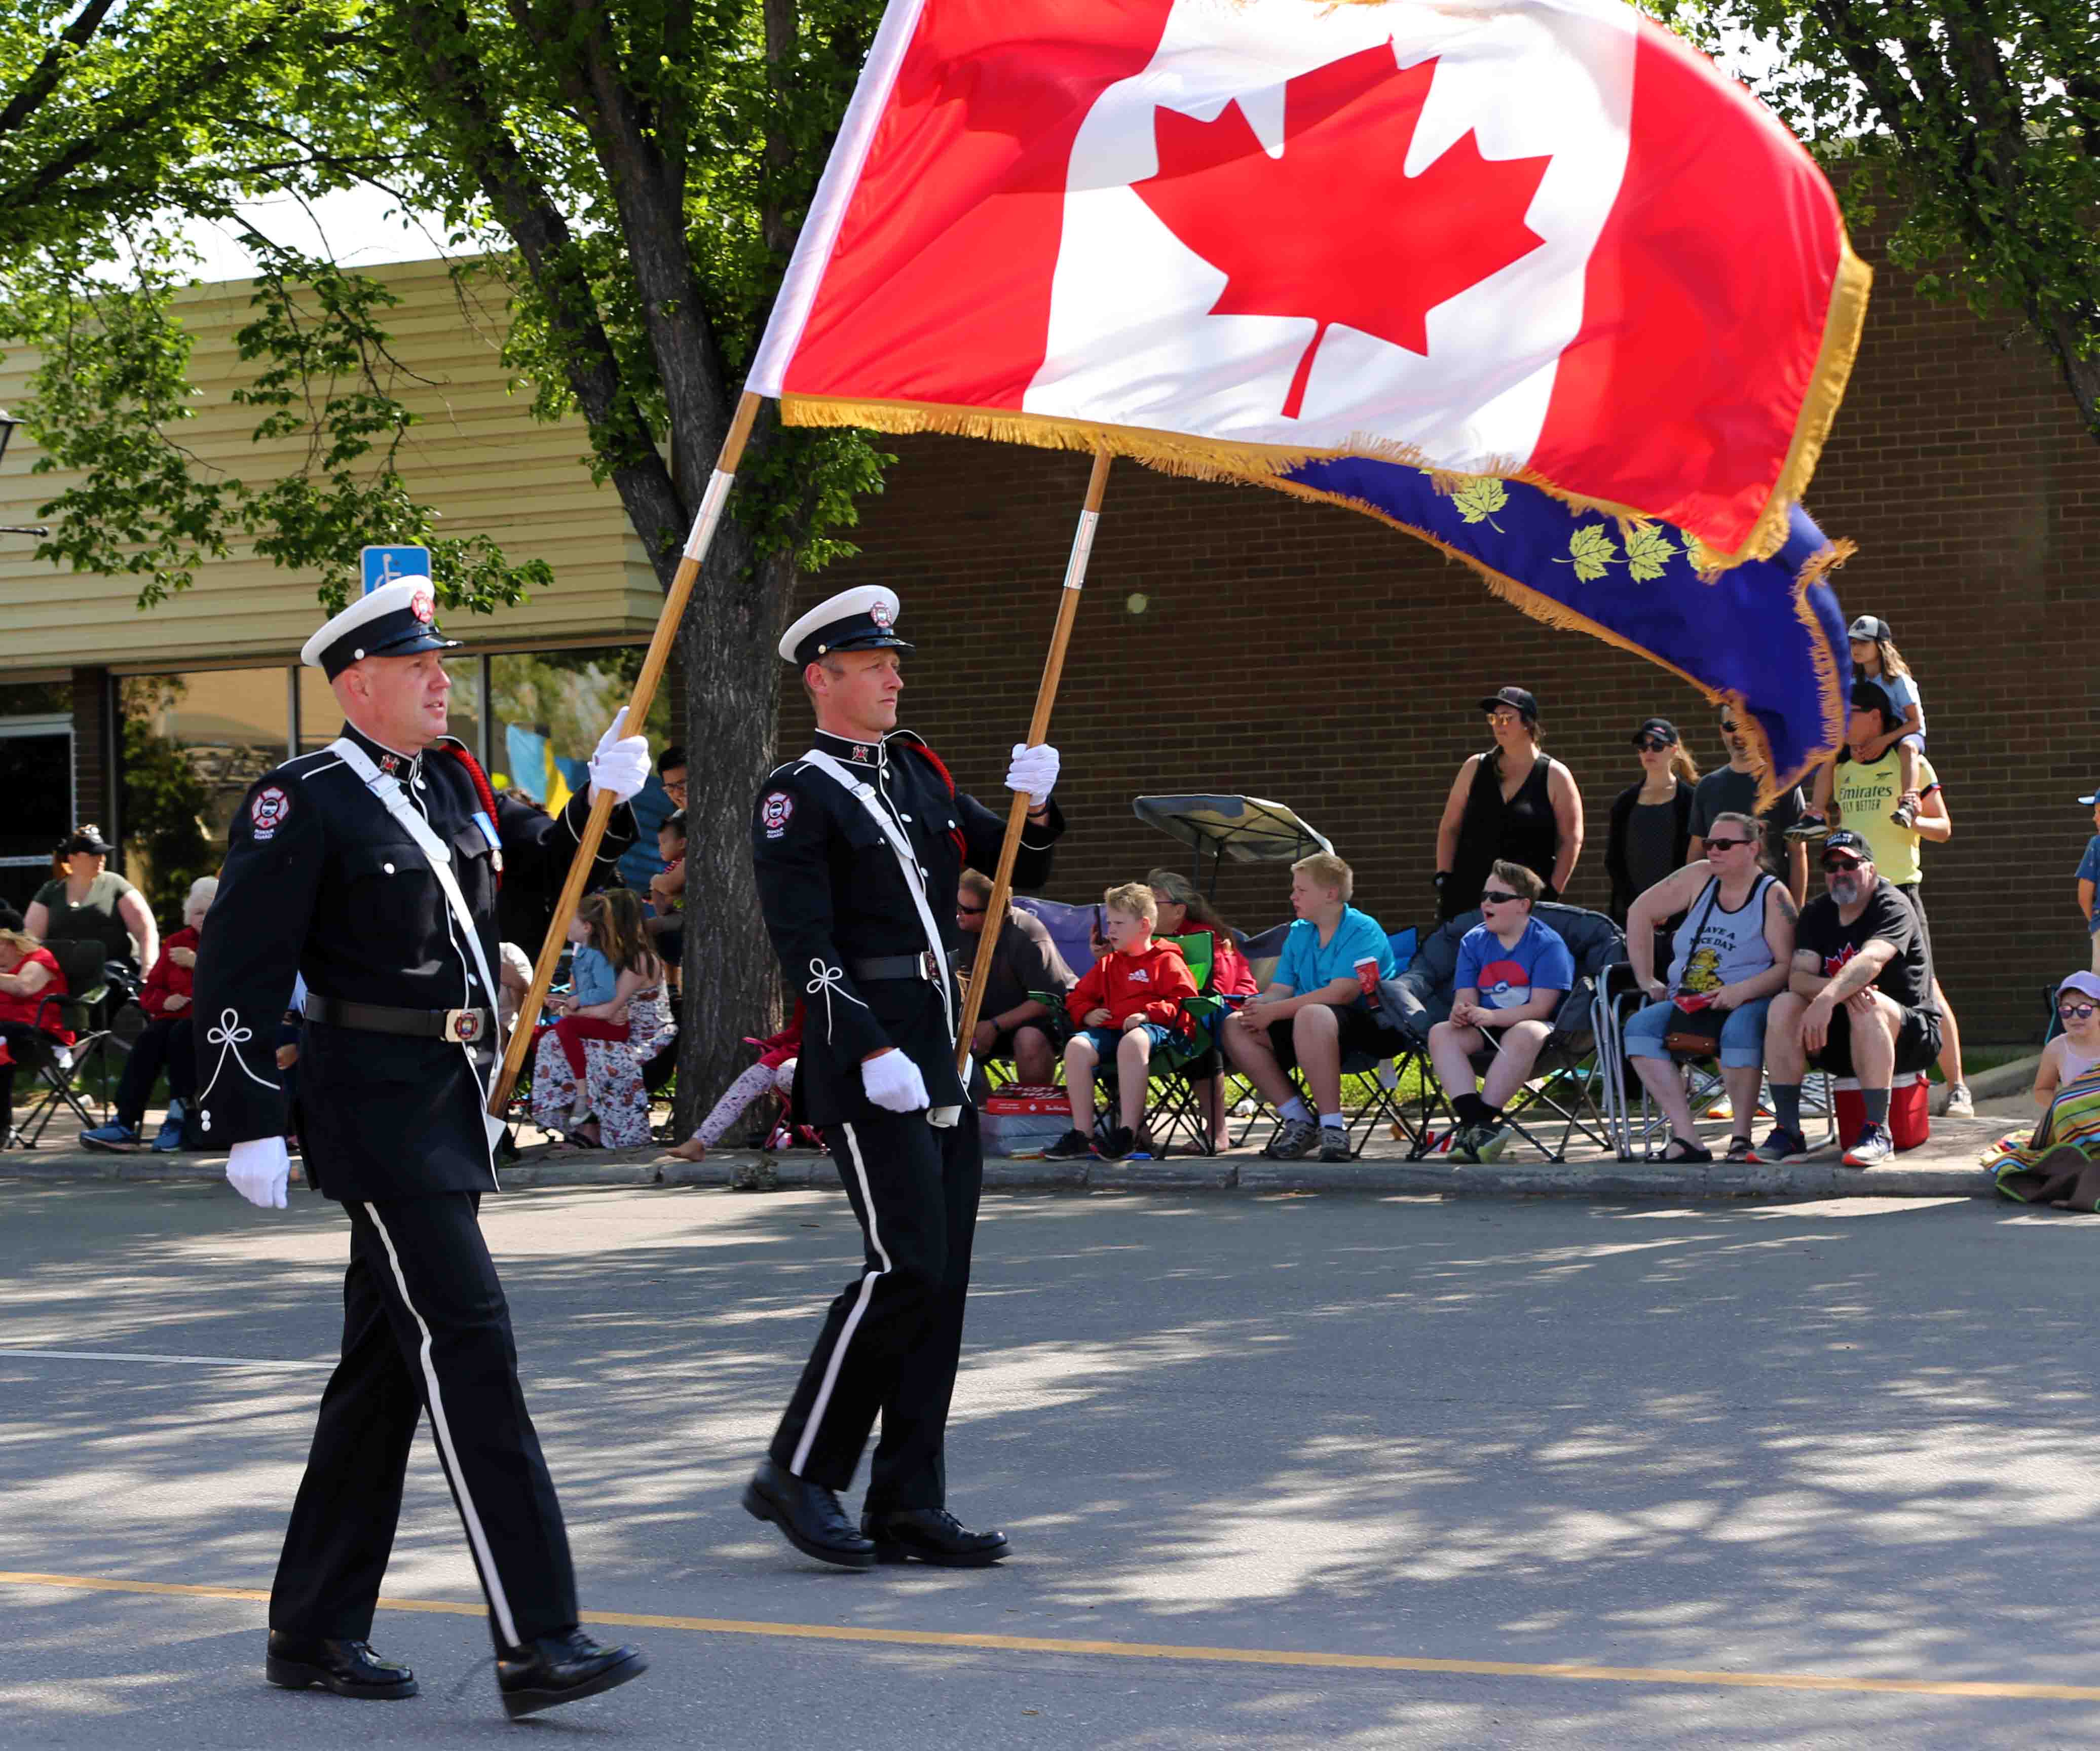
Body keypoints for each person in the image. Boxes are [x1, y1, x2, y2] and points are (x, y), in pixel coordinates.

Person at [191, 577, 650, 1718]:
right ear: (360, 685)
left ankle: (311, 1628)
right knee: (471, 1349)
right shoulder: (302, 802)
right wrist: (246, 1115)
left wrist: (607, 805)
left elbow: (529, 885)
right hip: (374, 1108)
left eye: (442, 661)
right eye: (421, 667)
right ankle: (537, 1638)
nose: (445, 679)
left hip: (450, 1100)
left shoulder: (449, 782)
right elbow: (240, 966)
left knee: (383, 1378)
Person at [743, 583, 1064, 1572]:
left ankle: (907, 1500)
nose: (893, 677)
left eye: (895, 663)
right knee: (905, 1267)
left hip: (938, 1044)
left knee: (943, 1284)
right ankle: (798, 1469)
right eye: (874, 665)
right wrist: (868, 1046)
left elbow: (1015, 860)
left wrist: (1039, 804)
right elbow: (806, 947)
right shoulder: (794, 793)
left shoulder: (913, 769)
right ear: (821, 679)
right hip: (865, 1053)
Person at [1754, 830, 1941, 1167]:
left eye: (1849, 864)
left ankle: (1878, 1132)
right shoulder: (1817, 913)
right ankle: (1788, 1132)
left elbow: (1871, 961)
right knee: (1784, 1005)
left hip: (1909, 1034)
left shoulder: (1893, 905)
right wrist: (1833, 994)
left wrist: (1827, 998)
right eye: (1831, 867)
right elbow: (1798, 977)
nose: (1840, 873)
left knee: (1866, 1005)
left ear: (1870, 868)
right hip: (1839, 1032)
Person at [1827, 679, 1970, 1116]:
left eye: (1850, 714)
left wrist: (1911, 824)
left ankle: (1958, 1087)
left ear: (1875, 717)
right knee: (1863, 987)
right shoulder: (1841, 767)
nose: (1842, 723)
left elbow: (1943, 829)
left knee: (1926, 987)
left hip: (1900, 890)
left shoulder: (1911, 764)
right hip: (1852, 897)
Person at [1620, 816, 1796, 1162]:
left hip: (1749, 1000)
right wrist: (1646, 978)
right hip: (1690, 999)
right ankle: (1687, 1139)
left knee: (1739, 1030)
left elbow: (1787, 966)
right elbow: (1639, 911)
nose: (1713, 851)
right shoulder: (1699, 877)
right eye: (1709, 844)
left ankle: (1741, 1139)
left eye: (1724, 845)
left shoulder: (1772, 894)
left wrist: (1742, 990)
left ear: (1752, 849)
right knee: (1639, 1030)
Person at [1222, 852, 1403, 1163]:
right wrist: (1260, 1004)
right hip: (1307, 1027)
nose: (1293, 896)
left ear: (1330, 894)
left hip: (1369, 1028)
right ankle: (1300, 1121)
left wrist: (1276, 1011)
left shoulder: (1363, 929)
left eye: (1301, 890)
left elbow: (1343, 993)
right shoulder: (1299, 932)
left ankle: (1333, 1128)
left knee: (1313, 1013)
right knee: (1235, 1024)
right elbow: (1281, 989)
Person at [1426, 861, 1576, 1162]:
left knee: (1526, 1032)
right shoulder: (1473, 940)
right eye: (1484, 896)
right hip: (1486, 1025)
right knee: (1442, 1032)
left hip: (1534, 1028)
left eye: (1497, 897)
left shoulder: (1547, 944)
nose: (1486, 903)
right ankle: (1476, 1123)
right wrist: (1461, 1012)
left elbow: (1540, 1007)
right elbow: (1465, 997)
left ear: (1523, 905)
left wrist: (1492, 1017)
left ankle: (1479, 1125)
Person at [1045, 883, 1198, 1163]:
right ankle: (1083, 1133)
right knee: (1077, 1046)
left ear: (1143, 925)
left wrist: (1148, 1014)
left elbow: (1185, 1001)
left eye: (1118, 923)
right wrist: (1088, 1013)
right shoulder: (1109, 964)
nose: (1110, 930)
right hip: (1113, 1031)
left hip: (1160, 1033)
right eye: (1109, 922)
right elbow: (1077, 998)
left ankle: (1128, 1133)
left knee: (1134, 1040)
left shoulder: (1166, 960)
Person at [80, 877, 218, 1153]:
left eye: (209, 912)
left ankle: (179, 1118)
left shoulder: (228, 940)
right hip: (173, 1020)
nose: (203, 919)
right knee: (150, 1037)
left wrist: (197, 962)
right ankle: (125, 1122)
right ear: (188, 915)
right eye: (197, 913)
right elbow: (150, 992)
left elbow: (233, 983)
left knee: (180, 1034)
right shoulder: (177, 941)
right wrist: (165, 1001)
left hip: (215, 1023)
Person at [529, 888, 668, 1150]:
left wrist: (574, 1009)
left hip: (641, 1040)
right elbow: (593, 1003)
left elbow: (609, 1009)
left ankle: (589, 1122)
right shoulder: (602, 959)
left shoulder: (640, 960)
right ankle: (582, 1118)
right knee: (550, 1039)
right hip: (611, 1030)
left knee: (557, 1042)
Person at [1433, 687, 1583, 923]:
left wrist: (1552, 892)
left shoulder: (1555, 775)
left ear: (1527, 722)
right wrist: (1444, 878)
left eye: (1506, 717)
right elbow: (1449, 827)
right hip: (1468, 899)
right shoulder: (1475, 767)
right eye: (1493, 718)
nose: (1497, 724)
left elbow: (1571, 840)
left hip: (1524, 903)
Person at [1147, 867, 1258, 1143]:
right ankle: (1133, 1132)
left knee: (1194, 1019)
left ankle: (1218, 1131)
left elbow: (1217, 992)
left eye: (1154, 902)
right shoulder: (1146, 941)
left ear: (1179, 910)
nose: (1145, 908)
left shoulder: (1207, 938)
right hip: (1168, 1018)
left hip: (1232, 1020)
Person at [1796, 614, 1927, 838]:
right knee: (1828, 754)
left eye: (1864, 642)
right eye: (1854, 642)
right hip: (1870, 737)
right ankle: (1817, 816)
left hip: (1902, 734)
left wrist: (1884, 740)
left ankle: (1908, 805)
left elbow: (1916, 723)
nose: (1856, 648)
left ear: (1880, 646)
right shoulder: (1854, 683)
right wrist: (1853, 743)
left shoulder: (1899, 681)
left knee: (1908, 748)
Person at [1989, 973, 2100, 1210]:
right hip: (2076, 1131)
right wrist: (2066, 1109)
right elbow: (2042, 1090)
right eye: (2066, 1011)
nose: (2075, 1017)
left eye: (2084, 1009)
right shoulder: (2057, 1048)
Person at [957, 866, 1075, 1088]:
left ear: (994, 912)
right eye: (958, 907)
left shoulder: (1026, 934)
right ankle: (977, 1115)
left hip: (1039, 1024)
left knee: (1028, 1039)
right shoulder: (957, 932)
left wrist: (994, 1026)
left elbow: (1045, 1001)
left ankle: (1032, 1115)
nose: (959, 914)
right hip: (983, 1022)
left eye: (968, 910)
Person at [1687, 703, 1810, 905]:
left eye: (1747, 727)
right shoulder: (1707, 787)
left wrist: (1796, 913)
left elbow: (1798, 854)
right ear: (1721, 731)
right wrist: (1694, 905)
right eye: (1731, 727)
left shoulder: (1784, 784)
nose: (1739, 735)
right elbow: (1697, 852)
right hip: (1718, 907)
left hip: (1771, 905)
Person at [1604, 717, 1698, 961]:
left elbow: (1695, 861)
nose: (1649, 752)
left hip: (1681, 913)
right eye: (1643, 747)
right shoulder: (1625, 802)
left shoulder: (1690, 801)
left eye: (1658, 746)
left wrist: (1669, 905)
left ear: (1674, 750)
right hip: (1630, 912)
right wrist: (1639, 908)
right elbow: (1614, 860)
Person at [668, 1003, 803, 1162]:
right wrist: (769, 1043)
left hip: (820, 1067)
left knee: (787, 1073)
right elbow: (798, 1031)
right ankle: (698, 1143)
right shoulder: (809, 988)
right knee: (740, 1090)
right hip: (785, 1059)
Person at [27, 824, 158, 978]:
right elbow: (31, 940)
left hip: (114, 977)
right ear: (72, 858)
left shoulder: (115, 884)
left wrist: (148, 971)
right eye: (93, 854)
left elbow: (146, 931)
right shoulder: (51, 891)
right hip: (64, 977)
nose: (101, 858)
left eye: (103, 854)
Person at [0, 919, 70, 1142]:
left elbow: (24, 987)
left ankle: (2, 1127)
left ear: (10, 941)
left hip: (39, 1038)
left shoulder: (40, 959)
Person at [2075, 782, 2100, 974]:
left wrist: (2096, 923)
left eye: (2099, 811)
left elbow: (2084, 896)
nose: (2095, 818)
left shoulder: (2097, 845)